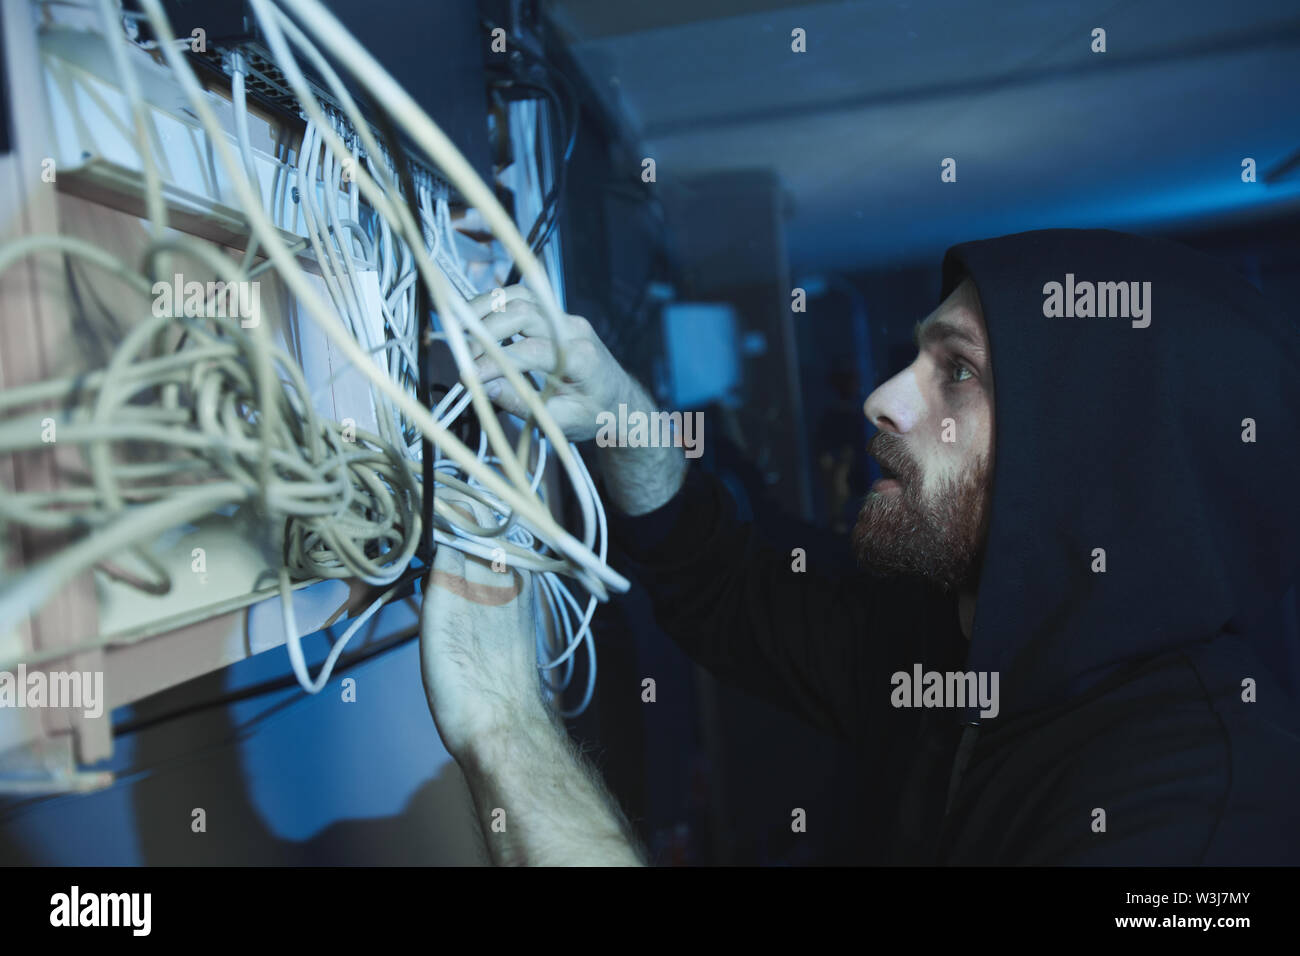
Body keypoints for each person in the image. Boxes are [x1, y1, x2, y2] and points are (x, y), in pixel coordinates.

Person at [420, 228, 1300, 865]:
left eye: (956, 371)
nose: (882, 396)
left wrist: (506, 726)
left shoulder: (1198, 819)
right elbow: (730, 587)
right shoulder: (959, 646)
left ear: (1096, 454)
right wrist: (623, 415)